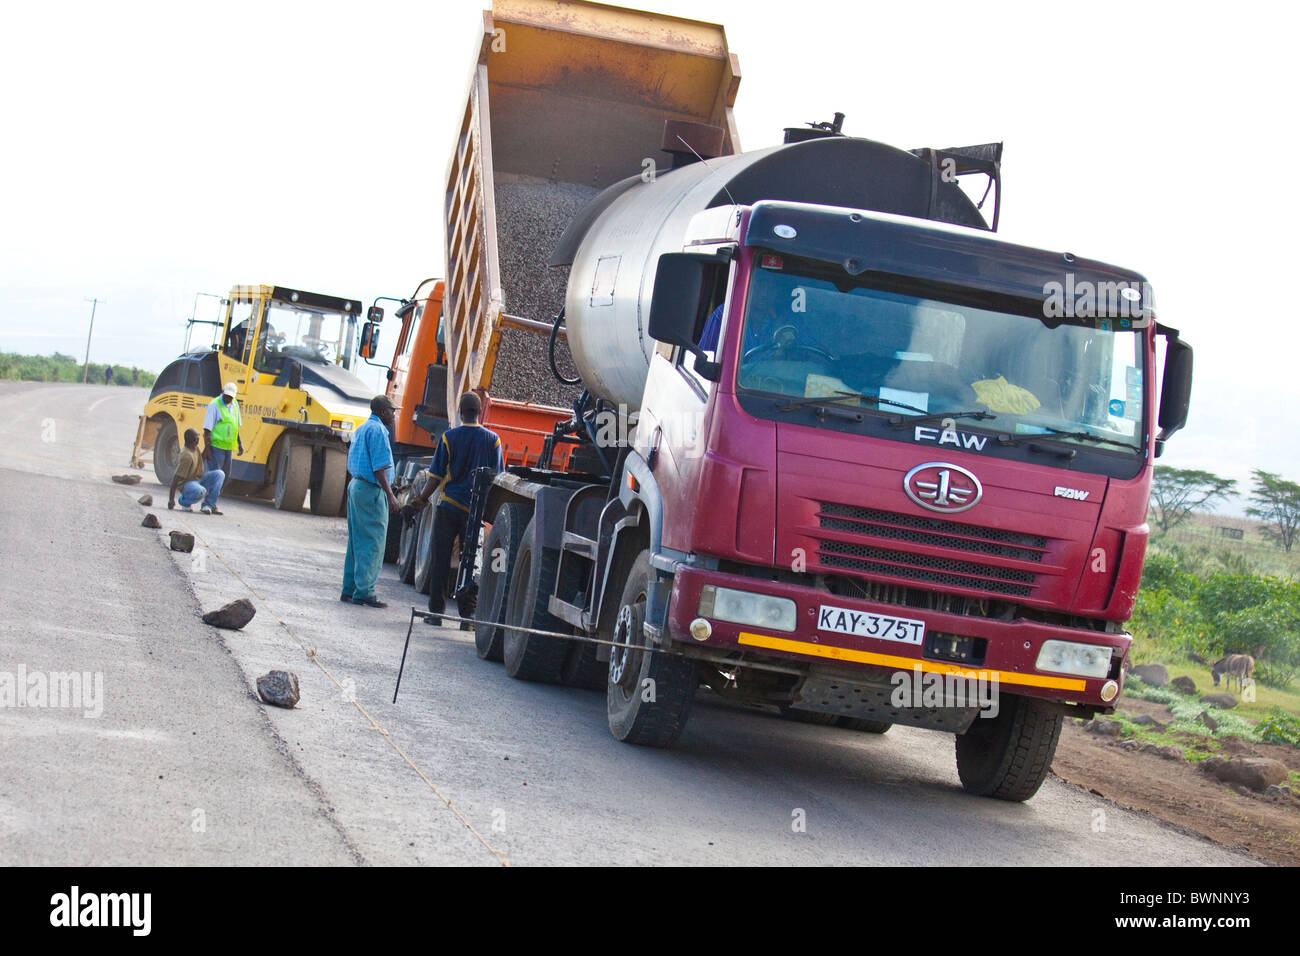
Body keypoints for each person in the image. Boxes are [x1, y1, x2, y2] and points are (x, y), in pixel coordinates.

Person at [409, 392, 504, 628]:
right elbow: (498, 477)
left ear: (461, 413)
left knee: (440, 560)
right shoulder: (493, 440)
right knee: (470, 562)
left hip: (448, 507)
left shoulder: (449, 437)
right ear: (479, 412)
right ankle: (467, 617)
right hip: (474, 512)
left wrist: (419, 501)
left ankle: (436, 613)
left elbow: (435, 476)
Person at [341, 395, 400, 608]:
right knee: (373, 542)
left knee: (356, 541)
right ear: (383, 412)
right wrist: (390, 495)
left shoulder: (362, 428)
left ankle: (349, 589)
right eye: (392, 411)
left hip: (357, 485)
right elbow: (379, 467)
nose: (394, 415)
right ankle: (364, 592)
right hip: (370, 490)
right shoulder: (378, 431)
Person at [202, 382, 243, 513]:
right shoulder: (215, 405)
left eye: (231, 397)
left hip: (228, 448)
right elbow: (207, 429)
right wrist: (207, 448)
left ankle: (212, 503)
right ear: (222, 392)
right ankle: (207, 504)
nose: (228, 399)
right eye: (226, 396)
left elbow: (235, 426)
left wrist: (240, 444)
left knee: (225, 477)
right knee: (216, 477)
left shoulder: (235, 405)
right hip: (216, 447)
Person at [167, 428, 225, 514]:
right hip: (187, 484)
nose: (199, 439)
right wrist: (171, 500)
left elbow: (202, 459)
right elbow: (176, 478)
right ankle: (184, 501)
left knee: (220, 474)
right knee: (201, 491)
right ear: (193, 440)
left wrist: (207, 446)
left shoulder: (195, 448)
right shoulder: (186, 456)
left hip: (198, 480)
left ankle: (208, 504)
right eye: (197, 438)